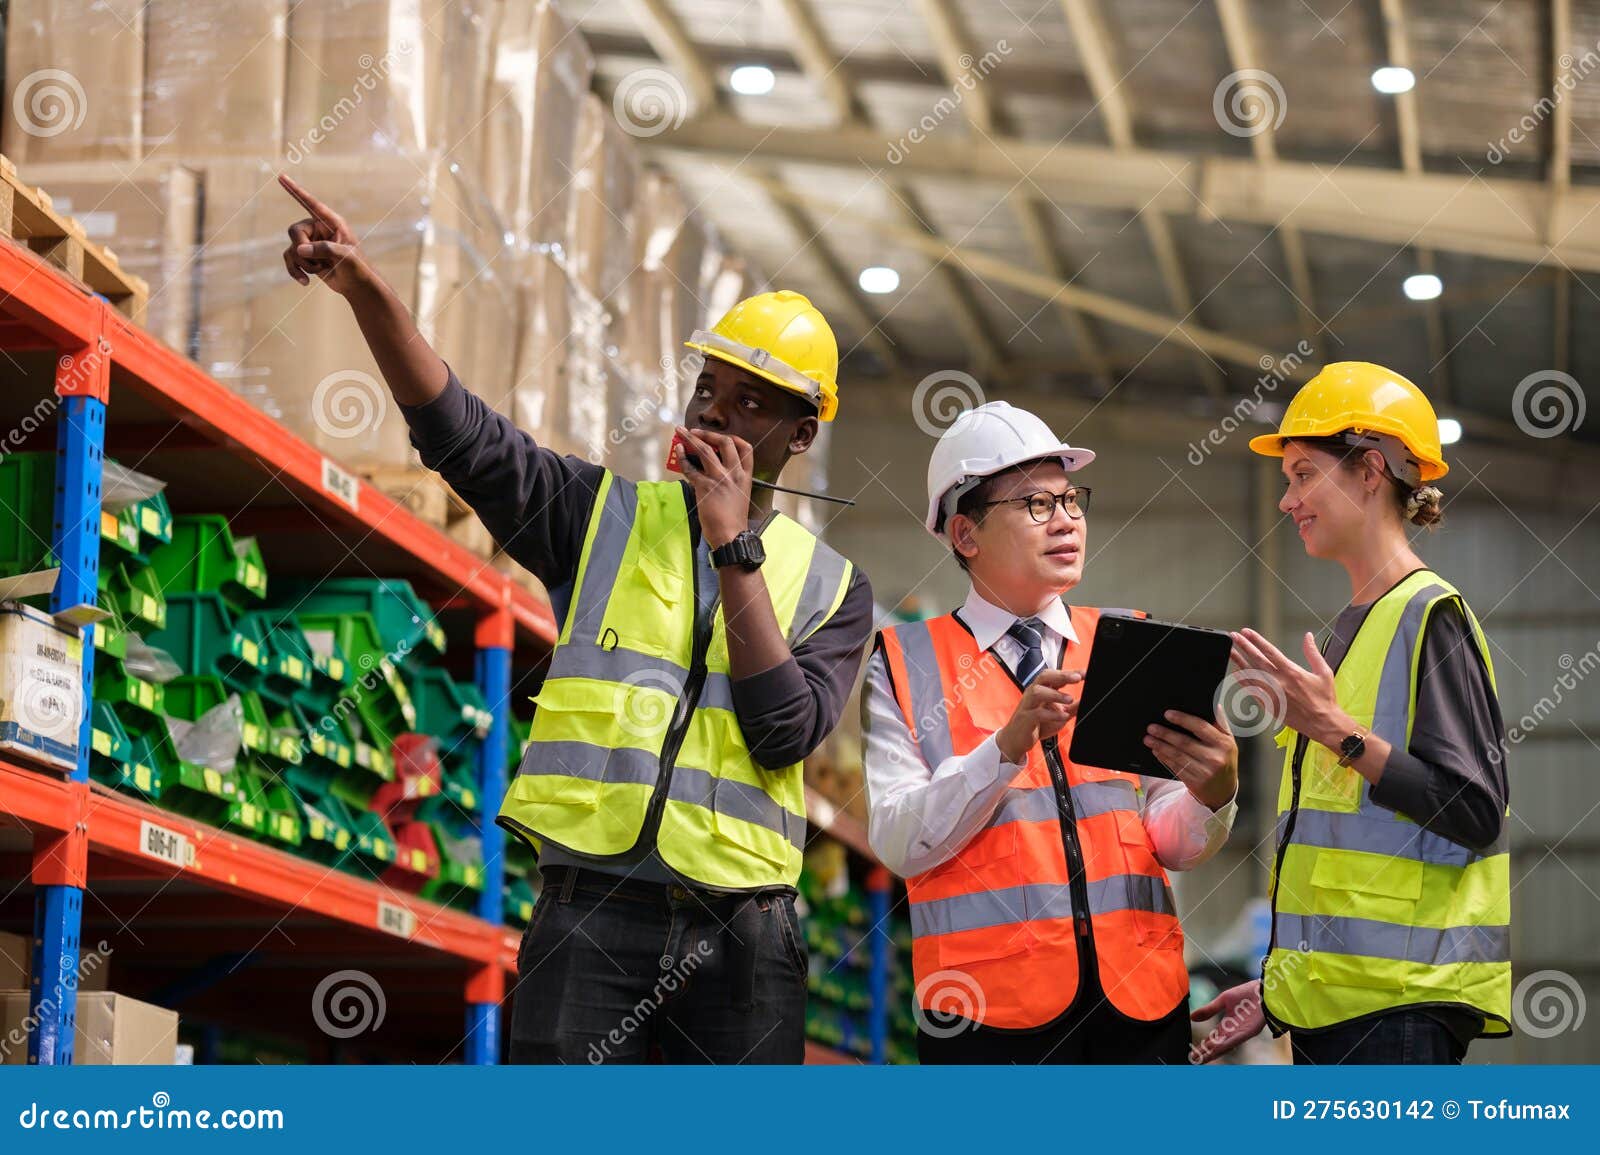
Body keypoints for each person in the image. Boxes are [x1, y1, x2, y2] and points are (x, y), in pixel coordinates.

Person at [279, 174, 874, 1064]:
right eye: (707, 388)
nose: (714, 411)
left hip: (742, 942)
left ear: (801, 434)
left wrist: (732, 546)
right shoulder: (598, 517)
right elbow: (461, 435)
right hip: (588, 921)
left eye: (750, 402)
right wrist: (367, 291)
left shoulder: (833, 586)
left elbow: (784, 729)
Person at [863, 401, 1239, 1064]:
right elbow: (900, 840)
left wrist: (1213, 798)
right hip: (988, 1023)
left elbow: (1167, 841)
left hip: (1141, 1012)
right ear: (965, 534)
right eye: (1036, 503)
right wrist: (1004, 749)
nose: (1066, 518)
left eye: (1071, 498)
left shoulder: (1126, 643)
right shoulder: (906, 661)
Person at [1193, 361, 1511, 1065]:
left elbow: (1475, 809)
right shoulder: (1353, 626)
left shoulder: (1432, 618)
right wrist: (1280, 986)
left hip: (1397, 1012)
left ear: (1370, 470)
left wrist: (1335, 731)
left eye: (1303, 473)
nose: (1287, 500)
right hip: (1340, 1010)